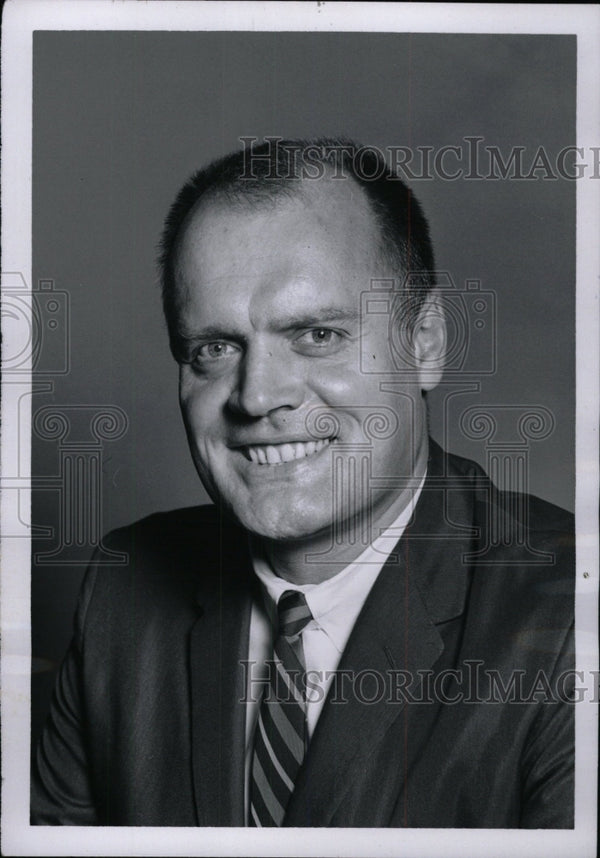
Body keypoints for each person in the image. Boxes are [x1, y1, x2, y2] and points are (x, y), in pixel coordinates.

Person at [31, 138, 574, 828]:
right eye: (214, 349)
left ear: (427, 341)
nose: (257, 397)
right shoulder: (123, 591)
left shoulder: (568, 616)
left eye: (316, 334)